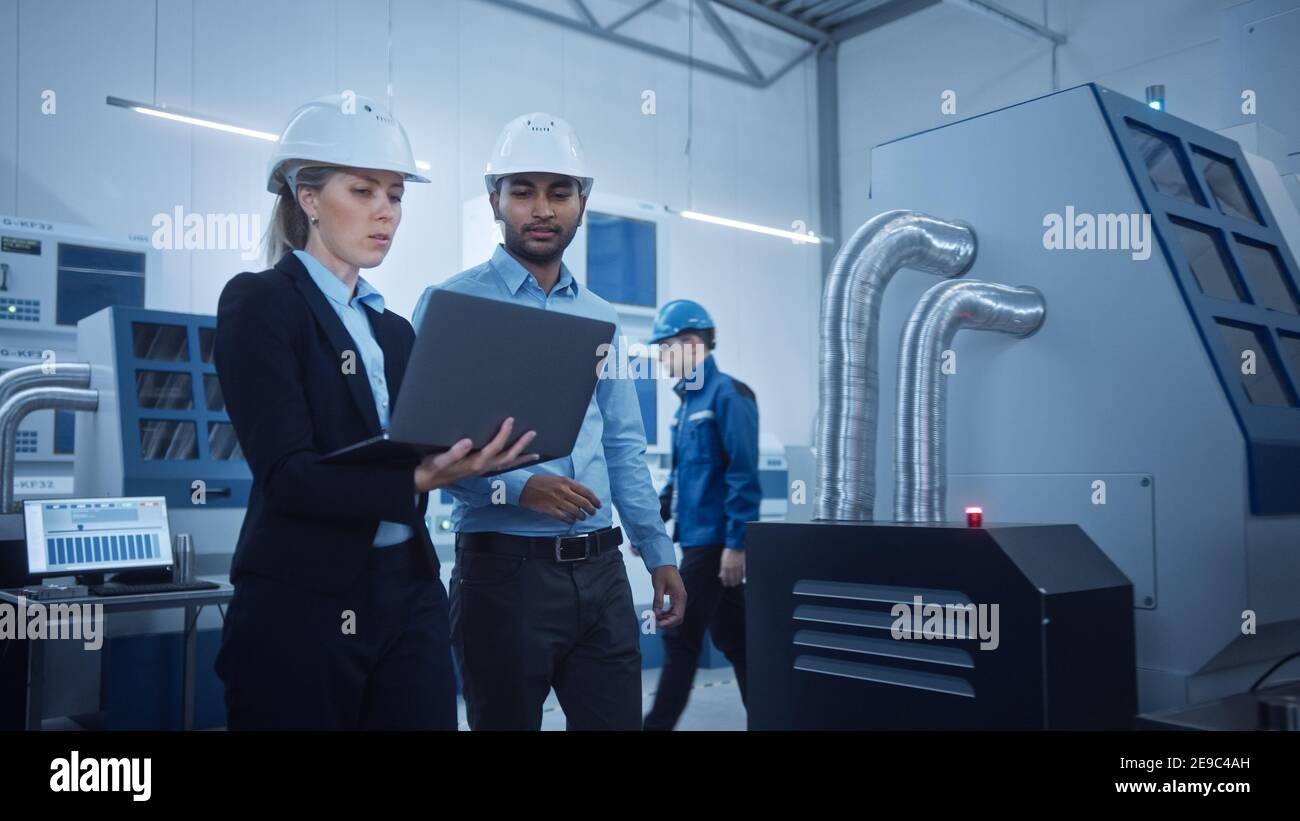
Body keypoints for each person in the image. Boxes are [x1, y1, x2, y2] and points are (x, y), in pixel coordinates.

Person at [213, 93, 537, 730]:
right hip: (301, 601)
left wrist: (477, 452)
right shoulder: (261, 304)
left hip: (408, 591)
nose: (385, 213)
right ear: (307, 198)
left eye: (395, 195)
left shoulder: (394, 331)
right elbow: (289, 476)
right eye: (363, 191)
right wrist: (420, 479)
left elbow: (417, 449)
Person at [411, 112, 687, 730]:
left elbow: (623, 445)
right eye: (523, 191)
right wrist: (516, 487)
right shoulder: (451, 303)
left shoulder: (600, 317)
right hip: (502, 575)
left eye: (559, 192)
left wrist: (657, 550)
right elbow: (423, 446)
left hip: (603, 573)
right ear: (494, 201)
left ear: (582, 204)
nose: (542, 208)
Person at [642, 300, 759, 730]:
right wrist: (651, 522)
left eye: (665, 347)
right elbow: (678, 478)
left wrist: (736, 544)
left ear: (692, 344)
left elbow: (743, 475)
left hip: (713, 544)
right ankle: (770, 717)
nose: (659, 357)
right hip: (693, 537)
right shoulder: (687, 405)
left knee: (679, 636)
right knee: (738, 641)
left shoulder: (729, 396)